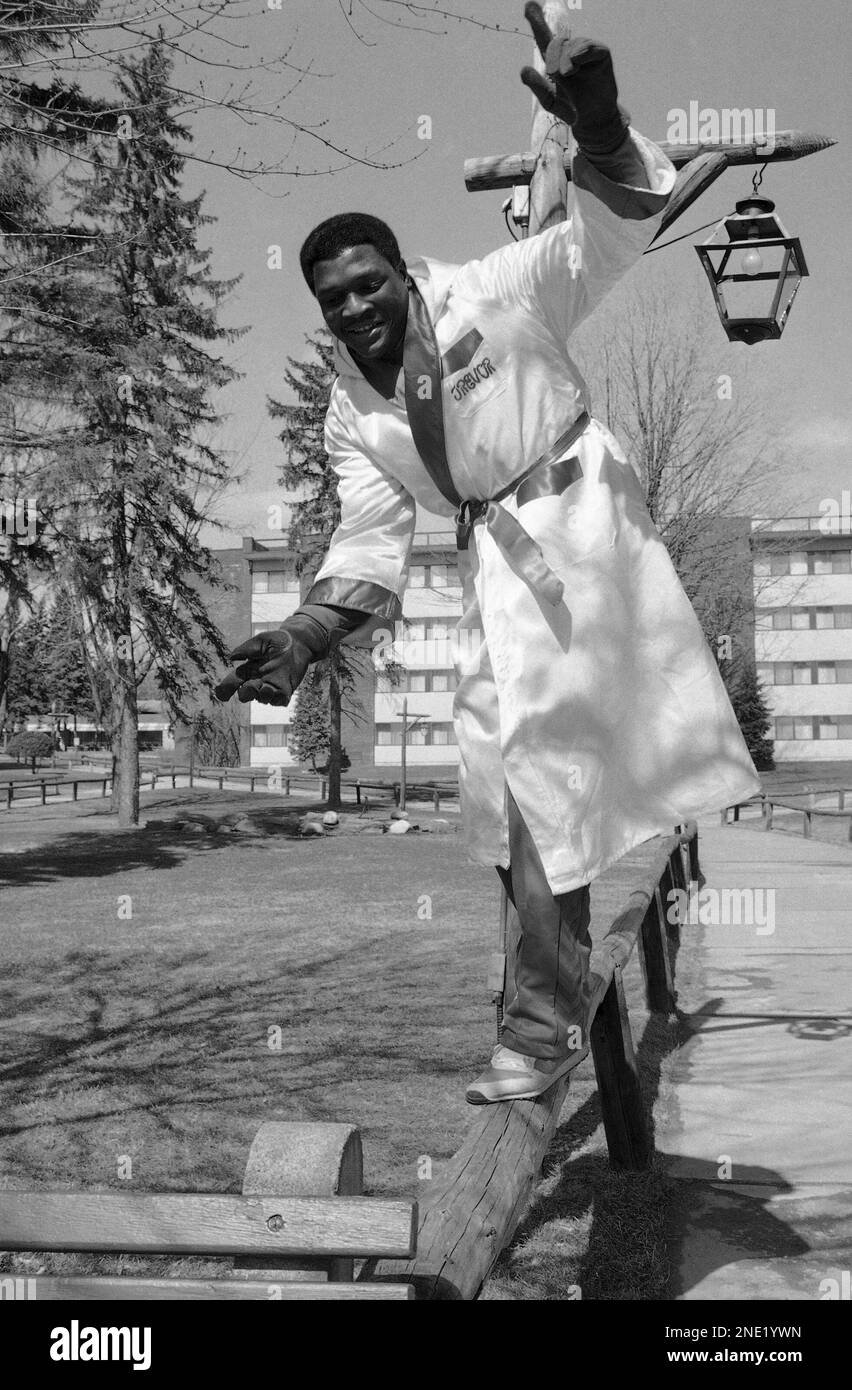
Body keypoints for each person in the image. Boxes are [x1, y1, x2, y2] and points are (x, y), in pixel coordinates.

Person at [216, 4, 761, 1104]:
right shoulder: (349, 414)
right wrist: (304, 636)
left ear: (402, 272)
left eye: (368, 283)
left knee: (547, 786)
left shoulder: (495, 289)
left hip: (584, 534)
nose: (355, 307)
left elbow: (612, 234)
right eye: (333, 301)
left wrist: (600, 128)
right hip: (496, 575)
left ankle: (539, 1021)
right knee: (511, 800)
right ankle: (539, 1009)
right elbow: (371, 537)